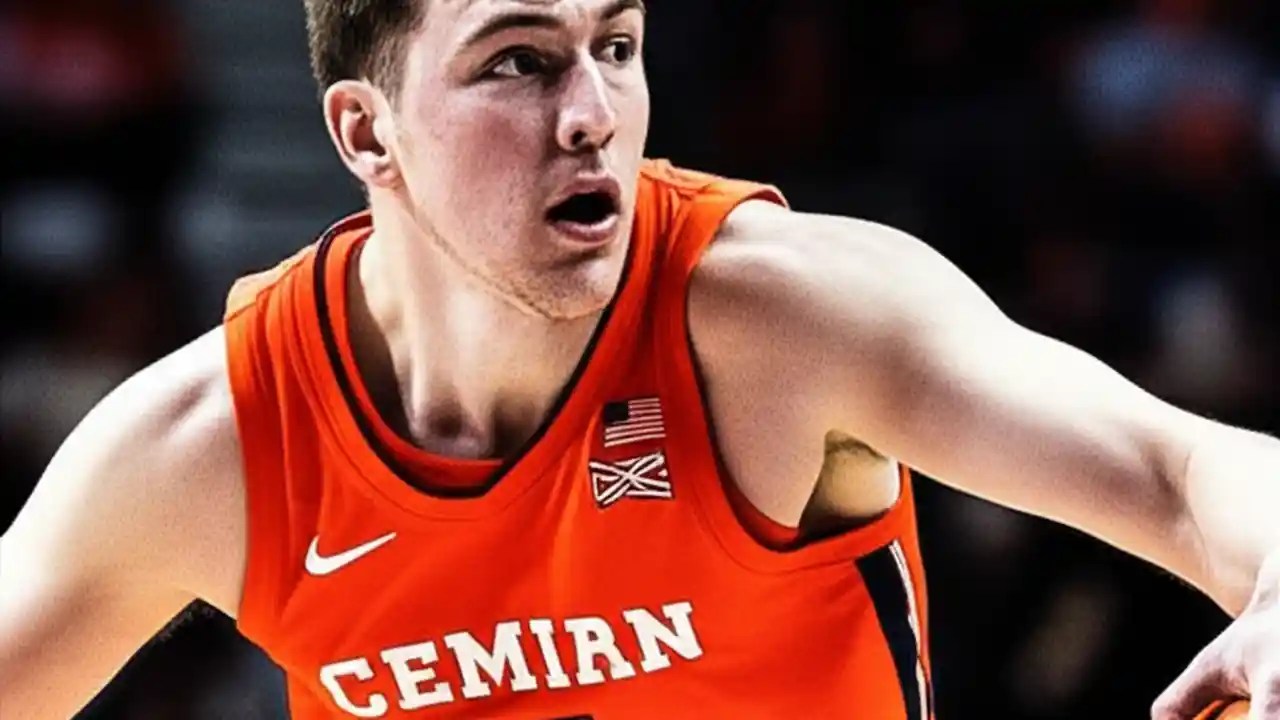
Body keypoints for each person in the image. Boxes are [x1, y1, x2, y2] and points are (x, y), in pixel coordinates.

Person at [1, 1, 1276, 718]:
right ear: (364, 133)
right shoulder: (211, 444)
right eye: (518, 62)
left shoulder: (783, 314)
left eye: (613, 46)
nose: (592, 115)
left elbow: (1182, 472)